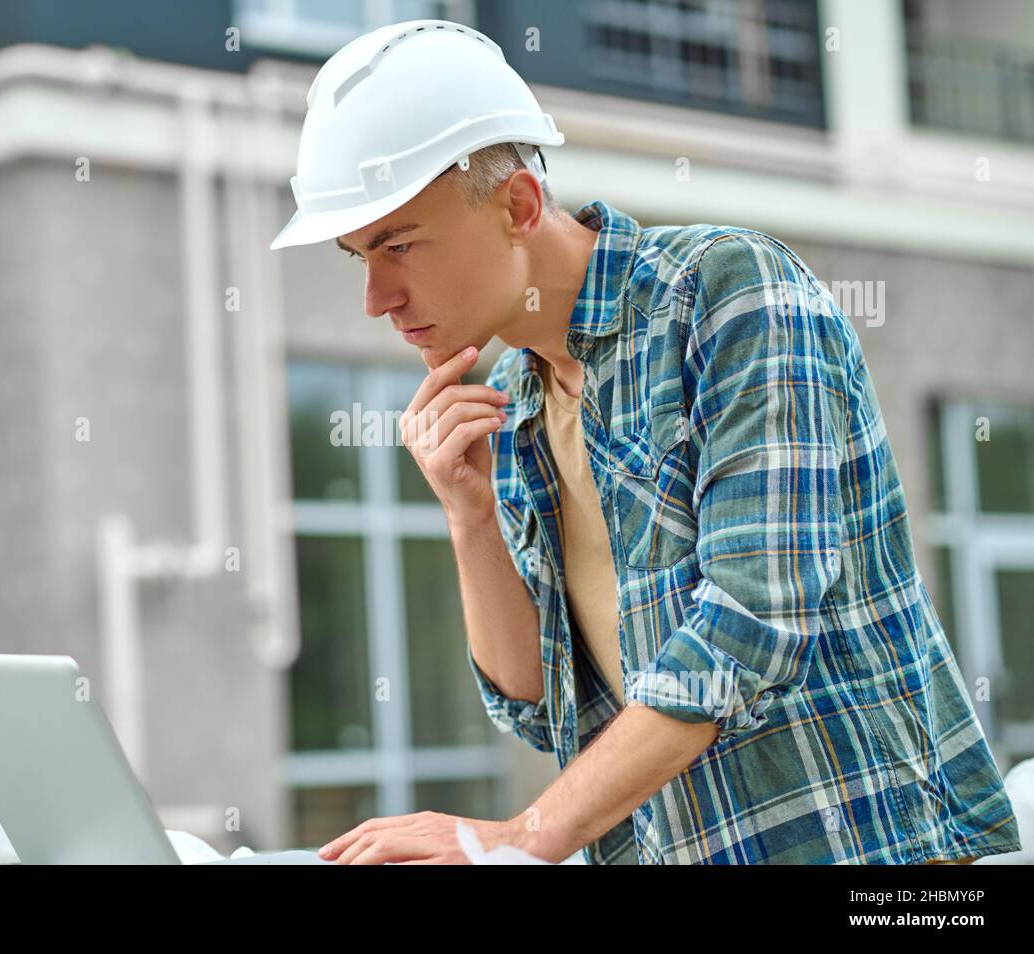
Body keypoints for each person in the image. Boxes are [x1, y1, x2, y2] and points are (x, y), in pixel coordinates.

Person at [271, 19, 1022, 865]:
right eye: (357, 257)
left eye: (399, 244)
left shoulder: (730, 294)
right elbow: (540, 705)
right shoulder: (518, 399)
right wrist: (469, 515)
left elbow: (750, 622)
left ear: (518, 205)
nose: (375, 297)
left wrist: (518, 838)